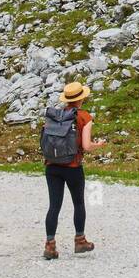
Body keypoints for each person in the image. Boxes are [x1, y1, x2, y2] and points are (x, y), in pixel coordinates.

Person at [43, 81, 105, 260]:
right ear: (82, 98)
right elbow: (86, 145)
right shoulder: (84, 117)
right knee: (78, 203)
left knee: (54, 206)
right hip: (72, 167)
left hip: (52, 166)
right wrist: (98, 145)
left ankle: (50, 245)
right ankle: (80, 240)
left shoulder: (55, 115)